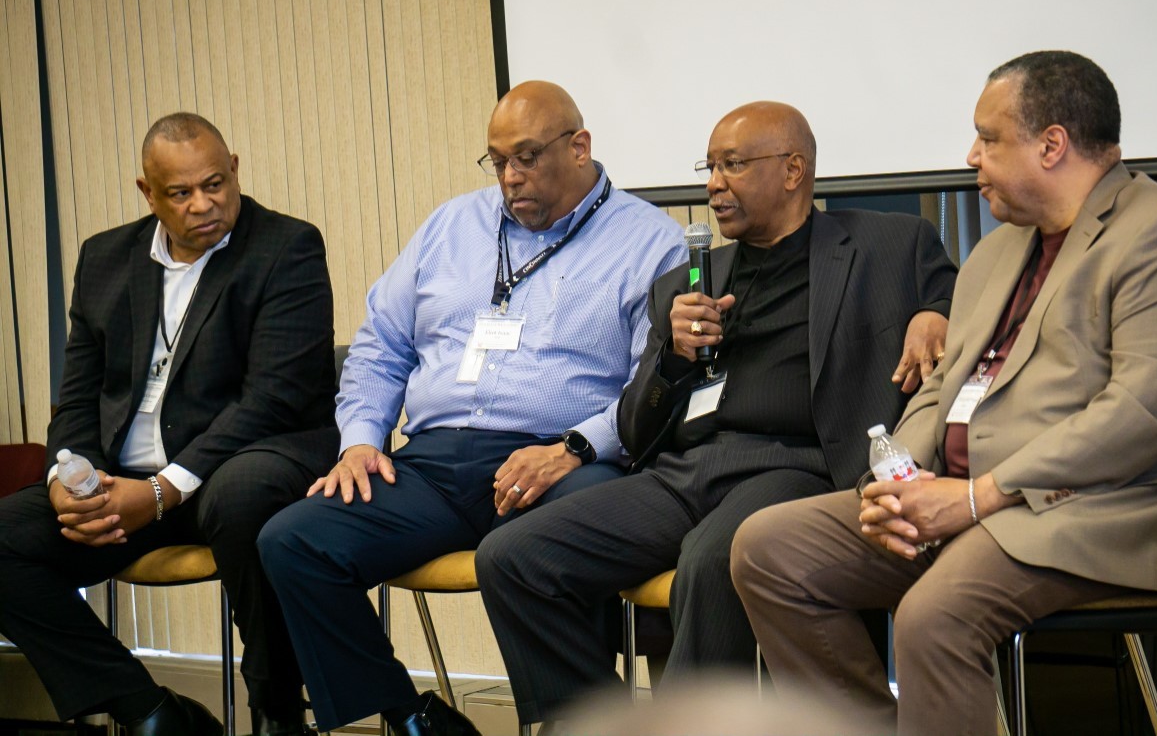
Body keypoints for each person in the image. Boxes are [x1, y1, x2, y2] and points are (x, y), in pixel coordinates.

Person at [730, 51, 1157, 736]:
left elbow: (1142, 413)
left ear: (1051, 144)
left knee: (934, 613)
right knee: (768, 547)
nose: (972, 155)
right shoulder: (1000, 248)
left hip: (1096, 509)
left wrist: (977, 495)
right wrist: (897, 480)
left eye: (989, 138)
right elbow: (943, 384)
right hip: (964, 500)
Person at [476, 100, 958, 728]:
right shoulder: (686, 279)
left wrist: (935, 311)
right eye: (709, 167)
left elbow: (962, 298)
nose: (712, 185)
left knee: (710, 560)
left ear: (793, 171)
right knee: (513, 556)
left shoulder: (886, 243)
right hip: (685, 470)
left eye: (732, 166)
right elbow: (634, 430)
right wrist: (673, 358)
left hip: (798, 467)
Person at [256, 81, 687, 735]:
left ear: (580, 147)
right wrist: (361, 439)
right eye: (497, 160)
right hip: (430, 465)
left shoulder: (649, 240)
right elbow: (380, 344)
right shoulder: (451, 225)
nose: (510, 177)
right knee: (292, 539)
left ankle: (590, 724)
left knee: (561, 537)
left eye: (528, 156)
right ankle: (410, 718)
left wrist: (572, 448)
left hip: (561, 460)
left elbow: (651, 382)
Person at [0, 112, 337, 736]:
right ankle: (150, 712)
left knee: (247, 500)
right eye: (180, 193)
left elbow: (273, 399)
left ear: (234, 169)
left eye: (215, 183)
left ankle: (278, 711)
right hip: (123, 485)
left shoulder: (286, 247)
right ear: (147, 193)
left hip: (233, 467)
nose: (203, 204)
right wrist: (64, 480)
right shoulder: (105, 257)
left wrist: (163, 490)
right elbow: (77, 397)